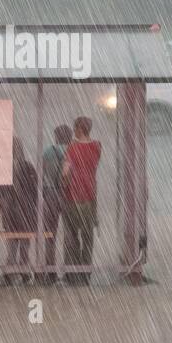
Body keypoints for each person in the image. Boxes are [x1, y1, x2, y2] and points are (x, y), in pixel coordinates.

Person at [61, 116, 101, 285]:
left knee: (71, 235)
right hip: (90, 196)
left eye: (75, 127)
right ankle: (85, 274)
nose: (73, 131)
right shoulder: (97, 146)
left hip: (73, 197)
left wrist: (65, 183)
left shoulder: (72, 147)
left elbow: (65, 172)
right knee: (87, 236)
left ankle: (72, 272)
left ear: (79, 129)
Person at [0, 137, 38, 285]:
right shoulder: (28, 167)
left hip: (10, 211)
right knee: (24, 243)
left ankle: (10, 272)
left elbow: (0, 192)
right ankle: (23, 270)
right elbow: (35, 189)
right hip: (26, 211)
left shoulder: (4, 168)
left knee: (12, 243)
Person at [40, 124, 72, 284]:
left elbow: (42, 173)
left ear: (56, 136)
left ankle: (50, 271)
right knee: (69, 234)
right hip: (67, 196)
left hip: (50, 195)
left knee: (50, 235)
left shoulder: (47, 151)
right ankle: (69, 270)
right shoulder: (72, 151)